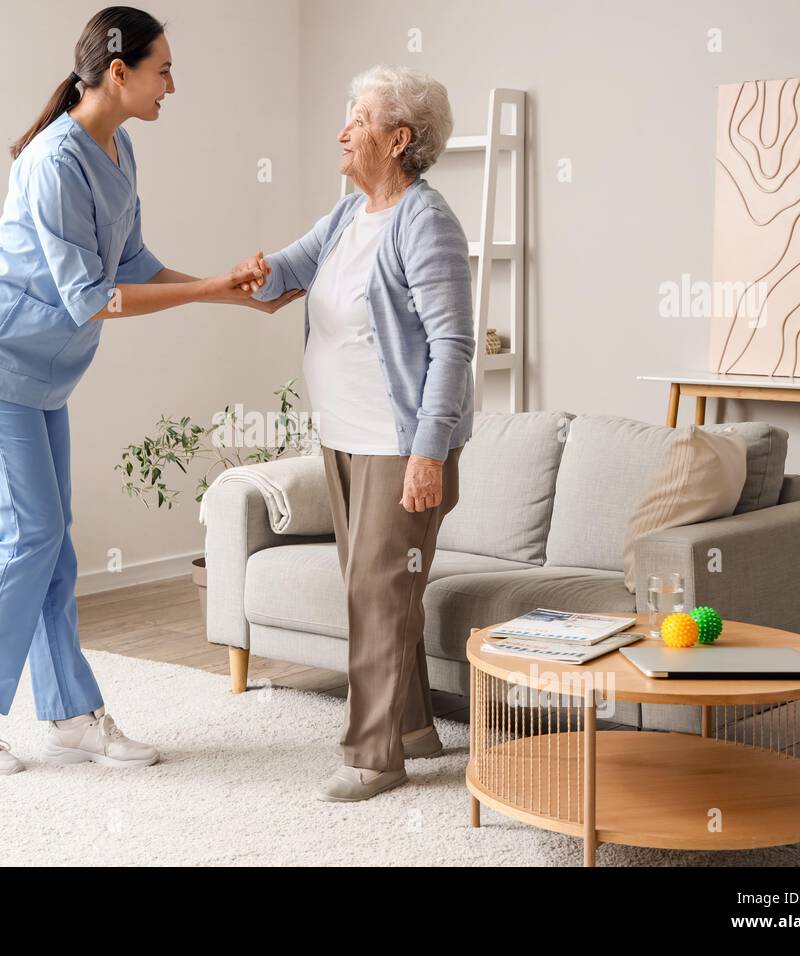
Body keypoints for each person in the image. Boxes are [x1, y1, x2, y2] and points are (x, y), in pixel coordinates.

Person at [0, 6, 300, 777]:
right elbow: (95, 297)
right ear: (118, 72)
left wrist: (235, 295)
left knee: (52, 544)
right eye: (163, 70)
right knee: (29, 533)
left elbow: (139, 266)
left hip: (44, 373)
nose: (173, 85)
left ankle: (70, 718)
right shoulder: (54, 162)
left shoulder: (117, 149)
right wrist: (216, 289)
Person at [241, 65, 475, 801]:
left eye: (361, 118)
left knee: (377, 595)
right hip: (343, 438)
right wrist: (244, 274)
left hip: (397, 444)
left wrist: (428, 452)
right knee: (378, 591)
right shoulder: (348, 215)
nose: (343, 129)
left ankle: (374, 755)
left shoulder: (425, 221)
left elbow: (452, 346)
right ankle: (411, 728)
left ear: (399, 139)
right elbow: (285, 275)